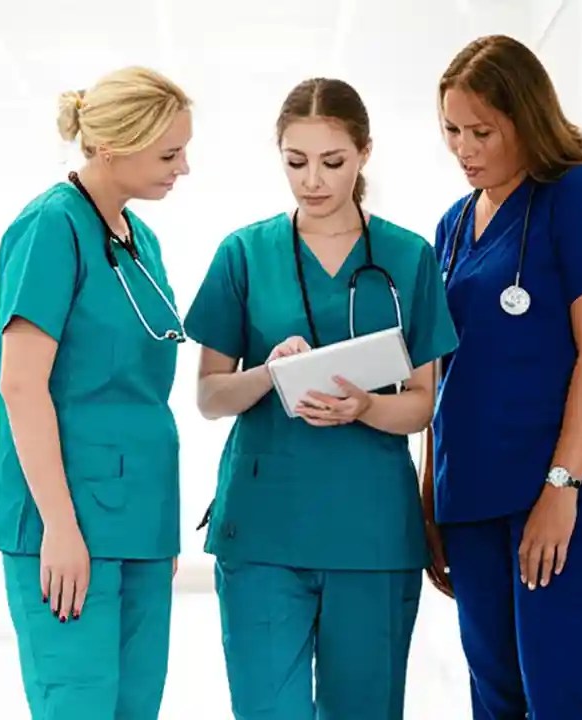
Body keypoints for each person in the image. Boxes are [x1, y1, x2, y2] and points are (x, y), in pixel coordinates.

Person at [184, 77, 459, 720]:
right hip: (263, 531)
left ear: (365, 153)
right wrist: (273, 376)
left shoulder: (408, 257)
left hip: (371, 533)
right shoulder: (244, 254)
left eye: (332, 162)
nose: (313, 180)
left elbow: (423, 403)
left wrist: (365, 407)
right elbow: (208, 395)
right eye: (295, 162)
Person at [424, 34, 582, 720]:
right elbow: (441, 371)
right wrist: (432, 494)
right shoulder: (454, 226)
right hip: (472, 493)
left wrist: (561, 486)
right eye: (453, 131)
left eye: (482, 131)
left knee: (560, 688)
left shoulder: (579, 198)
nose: (464, 148)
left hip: (561, 488)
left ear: (527, 118)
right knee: (496, 693)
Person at [0, 66, 192, 720]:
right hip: (69, 524)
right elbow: (21, 385)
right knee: (78, 705)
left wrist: (159, 532)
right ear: (111, 148)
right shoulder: (51, 227)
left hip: (140, 521)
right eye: (169, 153)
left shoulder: (142, 242)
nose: (184, 167)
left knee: (136, 707)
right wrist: (61, 527)